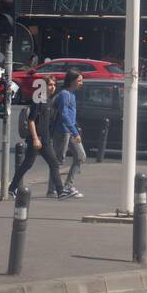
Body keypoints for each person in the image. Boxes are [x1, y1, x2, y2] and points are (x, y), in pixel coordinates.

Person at [8, 74, 65, 198]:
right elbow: (31, 120)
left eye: (54, 85)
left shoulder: (50, 101)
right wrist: (34, 139)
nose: (53, 87)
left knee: (51, 163)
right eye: (50, 85)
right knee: (29, 164)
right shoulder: (38, 99)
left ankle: (60, 191)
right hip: (37, 139)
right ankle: (12, 188)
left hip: (45, 139)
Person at [50, 69, 84, 198]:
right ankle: (52, 189)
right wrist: (75, 132)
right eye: (79, 80)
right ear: (72, 81)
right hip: (63, 131)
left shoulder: (72, 94)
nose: (82, 83)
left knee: (81, 156)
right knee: (58, 161)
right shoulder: (65, 94)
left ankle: (68, 186)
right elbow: (64, 114)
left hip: (70, 131)